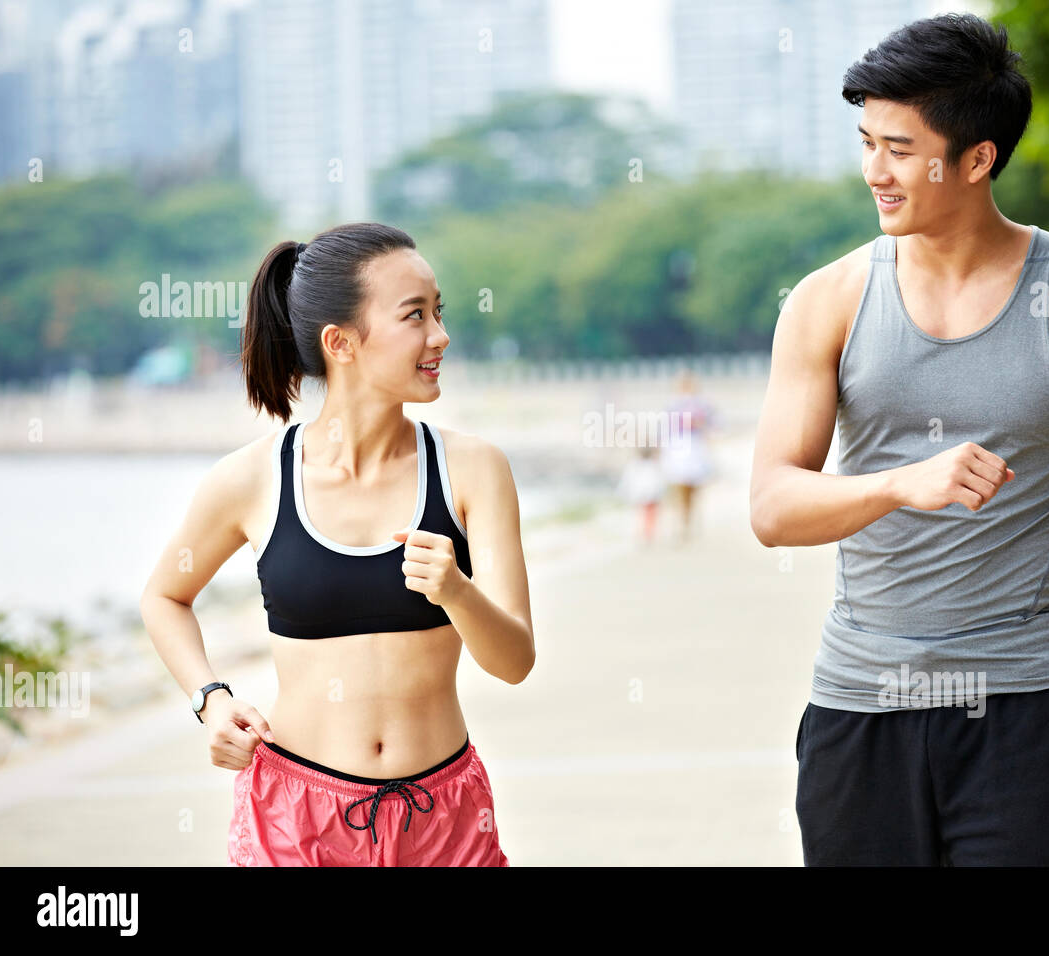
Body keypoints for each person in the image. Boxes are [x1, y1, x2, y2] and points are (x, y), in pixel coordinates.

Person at [749, 13, 1049, 865]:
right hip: (860, 709)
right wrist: (896, 484)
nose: (874, 172)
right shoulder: (826, 301)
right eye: (866, 143)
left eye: (899, 148)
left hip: (1027, 715)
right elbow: (773, 508)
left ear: (977, 159)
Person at [140, 222, 534, 866]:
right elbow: (164, 595)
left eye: (440, 312)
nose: (441, 335)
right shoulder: (252, 479)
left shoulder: (473, 469)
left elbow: (514, 660)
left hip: (445, 821)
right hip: (296, 824)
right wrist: (210, 702)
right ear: (340, 342)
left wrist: (456, 592)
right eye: (416, 316)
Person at [660, 371, 716, 544]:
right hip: (678, 448)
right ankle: (681, 523)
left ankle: (688, 521)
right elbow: (665, 428)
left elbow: (712, 425)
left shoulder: (702, 405)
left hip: (695, 448)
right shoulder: (672, 405)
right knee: (679, 486)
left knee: (693, 488)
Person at [617, 444, 665, 544]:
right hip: (646, 494)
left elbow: (627, 481)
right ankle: (645, 534)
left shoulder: (637, 465)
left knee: (643, 515)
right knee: (647, 515)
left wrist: (624, 493)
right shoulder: (650, 465)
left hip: (644, 494)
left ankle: (645, 534)